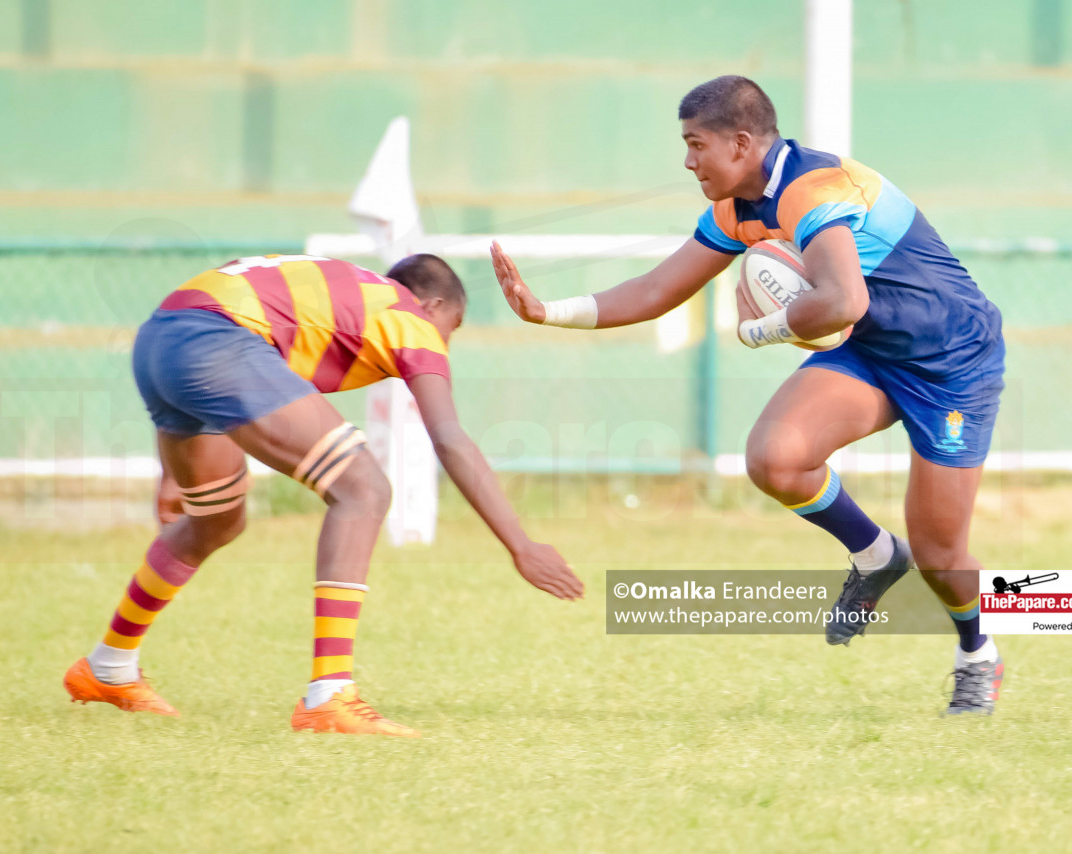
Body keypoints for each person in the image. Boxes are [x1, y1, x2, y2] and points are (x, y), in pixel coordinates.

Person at [490, 76, 1005, 715]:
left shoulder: (812, 188)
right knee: (775, 458)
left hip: (950, 361)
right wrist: (547, 311)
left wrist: (761, 329)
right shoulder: (739, 206)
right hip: (871, 349)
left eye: (695, 144)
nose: (687, 161)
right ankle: (875, 556)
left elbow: (845, 300)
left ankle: (976, 653)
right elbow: (657, 290)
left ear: (739, 143)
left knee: (940, 553)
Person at [64, 252, 584, 737]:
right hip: (218, 343)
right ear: (434, 305)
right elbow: (448, 437)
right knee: (365, 489)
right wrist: (521, 544)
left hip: (162, 338)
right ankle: (329, 695)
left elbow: (227, 301)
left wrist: (175, 455)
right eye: (455, 328)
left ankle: (108, 667)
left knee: (216, 521)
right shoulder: (409, 316)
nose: (446, 342)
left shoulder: (341, 290)